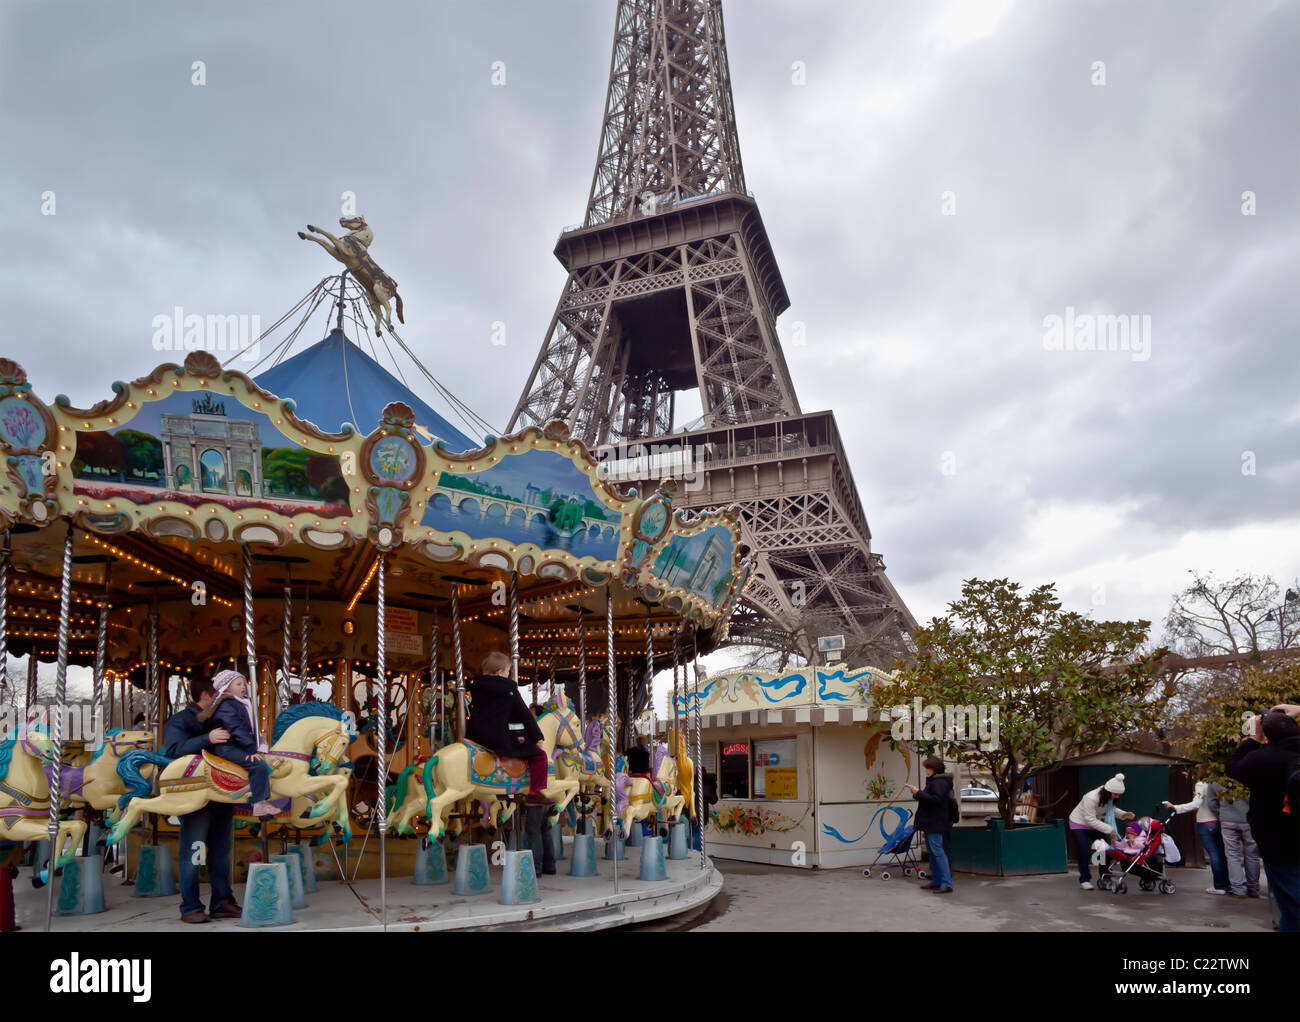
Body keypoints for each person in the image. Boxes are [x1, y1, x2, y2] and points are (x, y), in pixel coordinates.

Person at [162, 676, 238, 924]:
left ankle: (222, 901)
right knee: (194, 852)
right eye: (216, 694)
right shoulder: (179, 721)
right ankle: (190, 905)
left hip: (221, 794)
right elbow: (173, 750)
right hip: (196, 797)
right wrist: (208, 739)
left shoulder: (219, 718)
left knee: (221, 851)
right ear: (205, 695)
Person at [1226, 707, 1300, 932]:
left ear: (1266, 737)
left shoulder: (1260, 760)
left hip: (1279, 843)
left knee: (1291, 905)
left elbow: (1232, 766)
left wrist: (1252, 738)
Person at [465, 651, 551, 806]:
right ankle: (534, 793)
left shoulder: (476, 686)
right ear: (500, 672)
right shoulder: (508, 688)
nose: (508, 675)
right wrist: (537, 737)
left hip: (475, 735)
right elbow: (524, 714)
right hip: (497, 738)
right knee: (539, 756)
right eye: (507, 672)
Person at [197, 670, 276, 816]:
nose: (243, 687)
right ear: (226, 687)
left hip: (235, 745)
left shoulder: (239, 703)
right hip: (227, 748)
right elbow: (236, 728)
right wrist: (251, 749)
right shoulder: (227, 705)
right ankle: (259, 803)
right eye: (238, 684)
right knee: (257, 764)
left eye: (244, 684)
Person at [1163, 774, 1229, 894]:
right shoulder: (1221, 782)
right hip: (1218, 821)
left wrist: (1176, 808)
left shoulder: (1201, 784)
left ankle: (1219, 886)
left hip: (1205, 821)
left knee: (1214, 854)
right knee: (1221, 853)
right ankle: (1227, 883)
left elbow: (1196, 803)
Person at [1068, 772, 1135, 890]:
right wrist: (1110, 829)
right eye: (1115, 794)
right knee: (1084, 848)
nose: (1117, 797)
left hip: (1094, 823)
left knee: (1105, 848)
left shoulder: (1108, 797)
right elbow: (1089, 820)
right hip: (1079, 823)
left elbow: (1111, 809)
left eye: (1119, 795)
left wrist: (1124, 814)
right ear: (1108, 792)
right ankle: (1084, 879)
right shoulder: (1091, 798)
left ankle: (1105, 876)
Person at [908, 756, 955, 894]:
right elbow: (930, 799)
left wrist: (918, 793)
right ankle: (937, 880)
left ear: (934, 769)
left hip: (935, 821)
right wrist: (918, 794)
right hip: (932, 821)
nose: (926, 771)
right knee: (933, 852)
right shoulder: (936, 781)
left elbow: (936, 800)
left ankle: (946, 882)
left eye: (928, 768)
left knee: (937, 852)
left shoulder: (938, 782)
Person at [1209, 781, 1260, 899]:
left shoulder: (1216, 779)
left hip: (1227, 819)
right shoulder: (1248, 775)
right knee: (1252, 854)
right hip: (1249, 819)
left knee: (1232, 854)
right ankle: (1253, 887)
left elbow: (1211, 802)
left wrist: (1221, 814)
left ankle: (1238, 888)